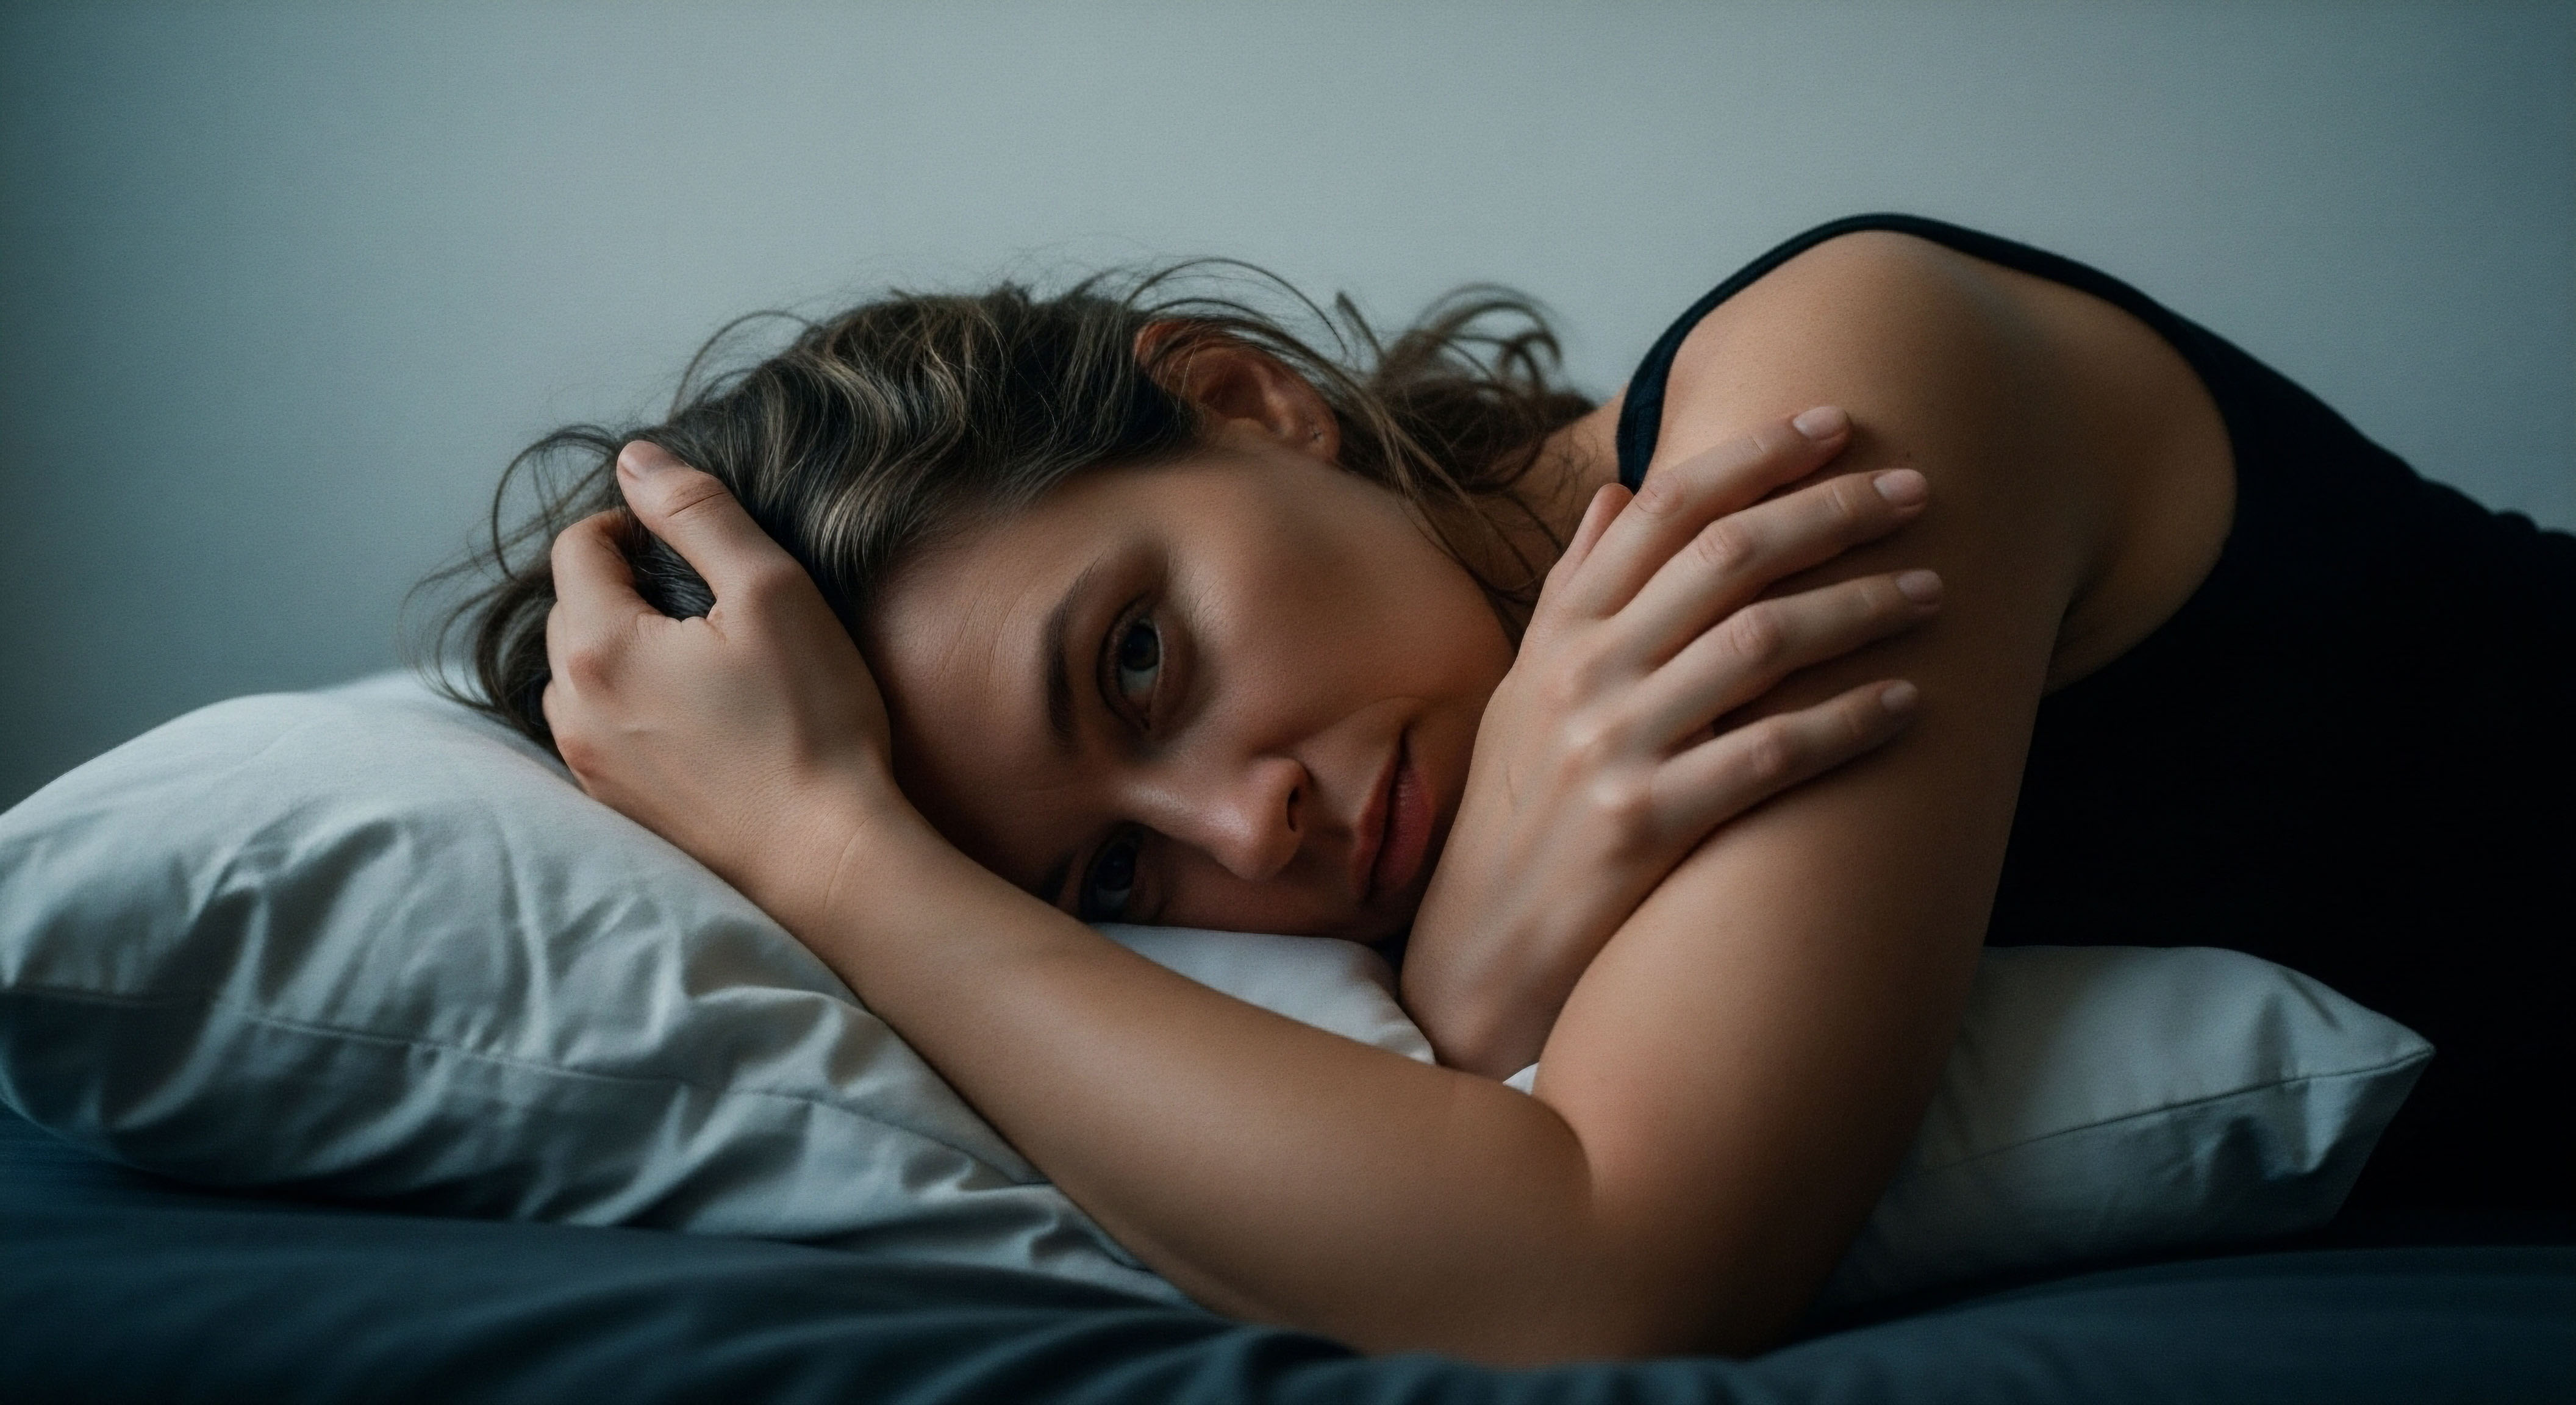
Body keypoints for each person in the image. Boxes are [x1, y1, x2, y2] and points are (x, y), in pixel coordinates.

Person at [453, 215, 2576, 1363]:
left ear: (1249, 403)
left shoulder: (1824, 390)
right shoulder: (1447, 826)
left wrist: (837, 856)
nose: (1241, 835)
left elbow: (1609, 1277)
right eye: (1101, 881)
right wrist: (1462, 988)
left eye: (1136, 656)